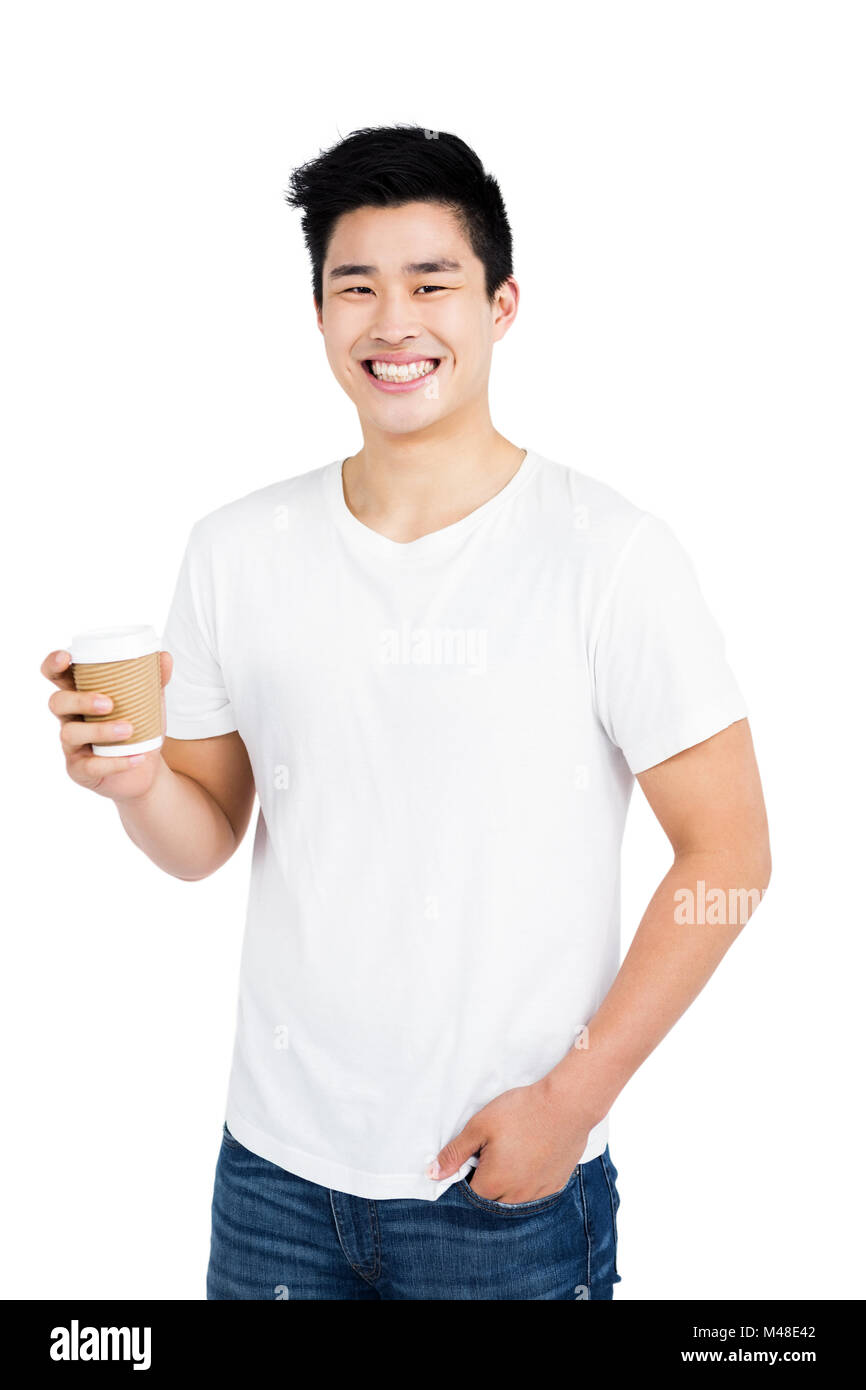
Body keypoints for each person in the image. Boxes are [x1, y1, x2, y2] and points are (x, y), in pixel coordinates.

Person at [44, 124, 770, 1301]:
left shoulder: (609, 554)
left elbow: (730, 849)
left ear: (501, 303)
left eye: (431, 283)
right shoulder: (234, 551)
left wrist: (566, 1105)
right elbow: (205, 837)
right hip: (275, 1176)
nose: (393, 322)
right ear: (319, 312)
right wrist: (135, 788)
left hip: (504, 1184)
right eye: (355, 287)